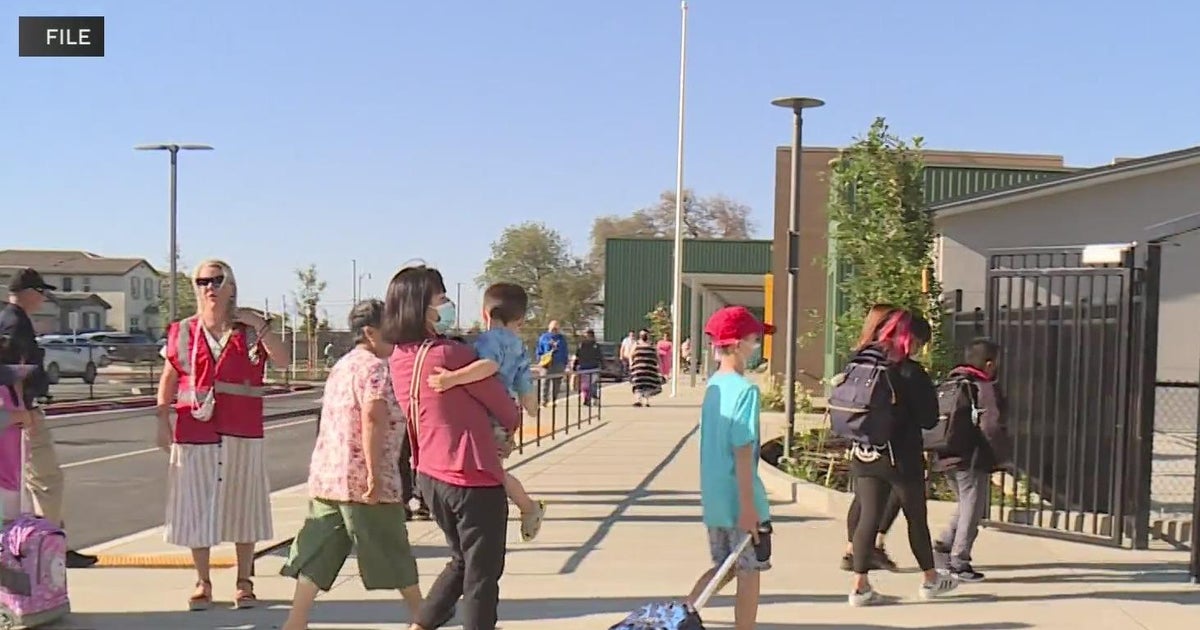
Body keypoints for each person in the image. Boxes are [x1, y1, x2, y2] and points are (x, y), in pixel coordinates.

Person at [384, 264, 521, 630]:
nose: (447, 305)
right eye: (441, 299)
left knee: (462, 560)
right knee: (482, 575)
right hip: (472, 475)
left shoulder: (399, 358)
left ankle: (421, 624)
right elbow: (506, 409)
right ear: (422, 307)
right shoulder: (451, 356)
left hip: (430, 476)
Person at [156, 259, 290, 610]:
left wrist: (259, 324)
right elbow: (170, 375)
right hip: (194, 431)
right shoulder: (183, 330)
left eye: (217, 280)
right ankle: (203, 581)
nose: (209, 287)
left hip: (242, 431)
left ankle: (244, 582)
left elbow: (283, 360)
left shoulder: (250, 331)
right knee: (195, 506)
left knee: (243, 506)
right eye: (203, 281)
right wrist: (161, 418)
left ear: (231, 286)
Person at [281, 300, 422, 630]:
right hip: (366, 479)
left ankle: (296, 620)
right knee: (392, 547)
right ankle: (422, 616)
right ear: (370, 333)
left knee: (319, 553)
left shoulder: (343, 366)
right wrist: (374, 474)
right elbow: (373, 417)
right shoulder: (376, 368)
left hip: (329, 477)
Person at [846, 310, 958, 606]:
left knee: (868, 516)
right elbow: (929, 418)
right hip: (902, 456)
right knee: (915, 518)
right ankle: (930, 580)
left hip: (865, 451)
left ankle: (860, 587)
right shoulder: (910, 371)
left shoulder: (860, 361)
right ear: (910, 338)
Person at [426, 282, 547, 542]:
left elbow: (488, 366)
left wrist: (452, 379)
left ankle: (528, 507)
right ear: (520, 320)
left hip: (488, 414)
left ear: (485, 314)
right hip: (506, 416)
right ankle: (526, 507)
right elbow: (526, 387)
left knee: (490, 471)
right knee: (494, 469)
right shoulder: (519, 347)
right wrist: (532, 409)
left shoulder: (489, 340)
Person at [0, 268, 98, 568]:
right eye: (41, 292)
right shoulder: (17, 325)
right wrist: (23, 410)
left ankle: (41, 544)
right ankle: (52, 547)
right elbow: (13, 371)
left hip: (14, 413)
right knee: (47, 481)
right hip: (22, 412)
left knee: (26, 484)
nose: (43, 298)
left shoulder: (7, 320)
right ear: (29, 292)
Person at [685, 306, 775, 630]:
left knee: (725, 567)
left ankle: (680, 613)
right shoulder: (745, 390)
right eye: (754, 339)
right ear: (737, 344)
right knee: (750, 572)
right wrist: (749, 508)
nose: (756, 346)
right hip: (741, 499)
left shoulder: (714, 387)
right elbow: (742, 450)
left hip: (715, 497)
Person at [931, 338, 1011, 582]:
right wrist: (1001, 455)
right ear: (989, 364)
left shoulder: (951, 382)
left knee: (966, 504)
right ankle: (959, 560)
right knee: (972, 509)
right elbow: (991, 426)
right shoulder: (982, 387)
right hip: (971, 458)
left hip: (945, 454)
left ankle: (944, 546)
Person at [840, 303, 903, 572]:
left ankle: (852, 549)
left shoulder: (859, 356)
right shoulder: (887, 360)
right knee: (894, 491)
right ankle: (869, 551)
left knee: (862, 495)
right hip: (883, 435)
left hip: (857, 430)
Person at [535, 321, 569, 405]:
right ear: (549, 328)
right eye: (553, 328)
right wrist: (539, 360)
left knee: (557, 383)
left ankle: (554, 399)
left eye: (556, 328)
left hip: (559, 363)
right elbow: (539, 349)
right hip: (546, 363)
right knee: (544, 382)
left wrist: (565, 363)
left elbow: (565, 351)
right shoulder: (544, 337)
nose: (554, 330)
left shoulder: (562, 339)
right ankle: (544, 400)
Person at [628, 329, 662, 407]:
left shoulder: (652, 345)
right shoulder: (636, 344)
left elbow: (657, 356)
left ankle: (647, 401)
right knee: (638, 384)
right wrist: (631, 364)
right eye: (642, 335)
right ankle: (638, 400)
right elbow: (630, 355)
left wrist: (659, 366)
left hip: (650, 369)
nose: (644, 336)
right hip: (638, 369)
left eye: (645, 334)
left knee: (648, 385)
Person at [572, 329, 603, 406]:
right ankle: (589, 398)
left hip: (590, 367)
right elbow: (577, 356)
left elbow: (600, 357)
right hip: (586, 367)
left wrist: (575, 366)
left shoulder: (594, 346)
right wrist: (575, 365)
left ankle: (591, 398)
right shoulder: (585, 345)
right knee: (588, 385)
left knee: (590, 384)